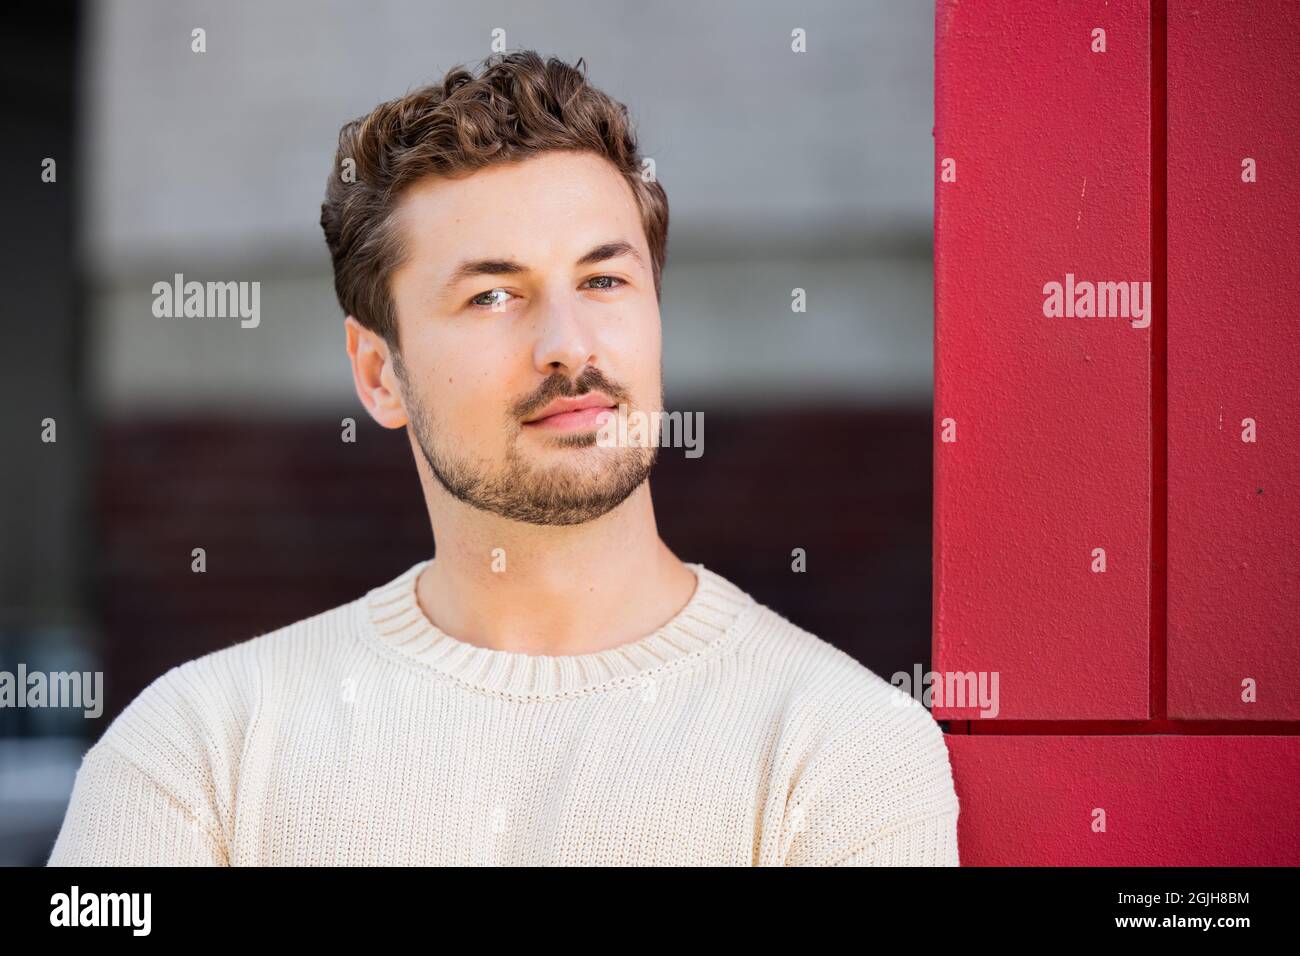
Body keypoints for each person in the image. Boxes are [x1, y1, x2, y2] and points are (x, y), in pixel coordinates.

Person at [48, 50, 959, 866]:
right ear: (379, 373)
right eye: (492, 295)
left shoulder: (842, 753)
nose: (568, 345)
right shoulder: (197, 755)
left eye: (604, 280)